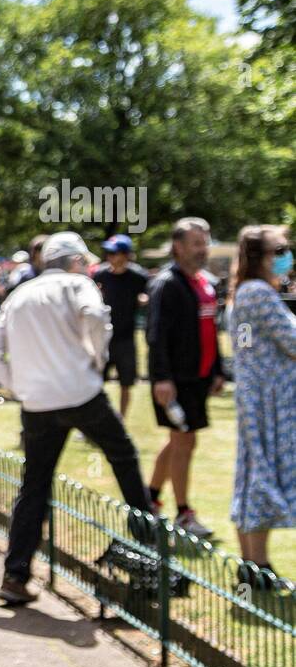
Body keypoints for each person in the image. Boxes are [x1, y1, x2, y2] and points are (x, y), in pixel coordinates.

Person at [0, 232, 154, 604]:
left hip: (38, 404)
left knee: (35, 484)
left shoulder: (20, 294)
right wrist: (96, 357)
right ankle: (151, 551)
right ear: (75, 261)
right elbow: (93, 315)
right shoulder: (79, 285)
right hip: (81, 394)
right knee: (124, 459)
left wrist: (21, 388)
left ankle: (15, 574)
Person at [145, 217, 225, 537]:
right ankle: (183, 513)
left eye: (205, 242)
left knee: (180, 440)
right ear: (178, 247)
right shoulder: (167, 284)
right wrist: (162, 377)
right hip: (175, 380)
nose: (202, 249)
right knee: (184, 442)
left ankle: (149, 499)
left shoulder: (204, 283)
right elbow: (156, 335)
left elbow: (211, 331)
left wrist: (217, 370)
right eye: (196, 243)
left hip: (198, 379)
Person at [227, 225, 296, 588]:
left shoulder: (248, 292)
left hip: (261, 398)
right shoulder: (257, 293)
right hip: (267, 401)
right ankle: (257, 568)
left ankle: (254, 567)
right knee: (260, 477)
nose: (286, 254)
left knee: (254, 473)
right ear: (260, 257)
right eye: (279, 249)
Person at [92, 234, 150, 419]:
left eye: (114, 252)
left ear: (125, 255)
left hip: (126, 338)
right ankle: (94, 422)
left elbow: (149, 295)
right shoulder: (100, 275)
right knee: (95, 382)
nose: (109, 256)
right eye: (108, 252)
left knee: (126, 383)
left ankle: (121, 420)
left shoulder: (138, 277)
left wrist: (144, 300)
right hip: (103, 338)